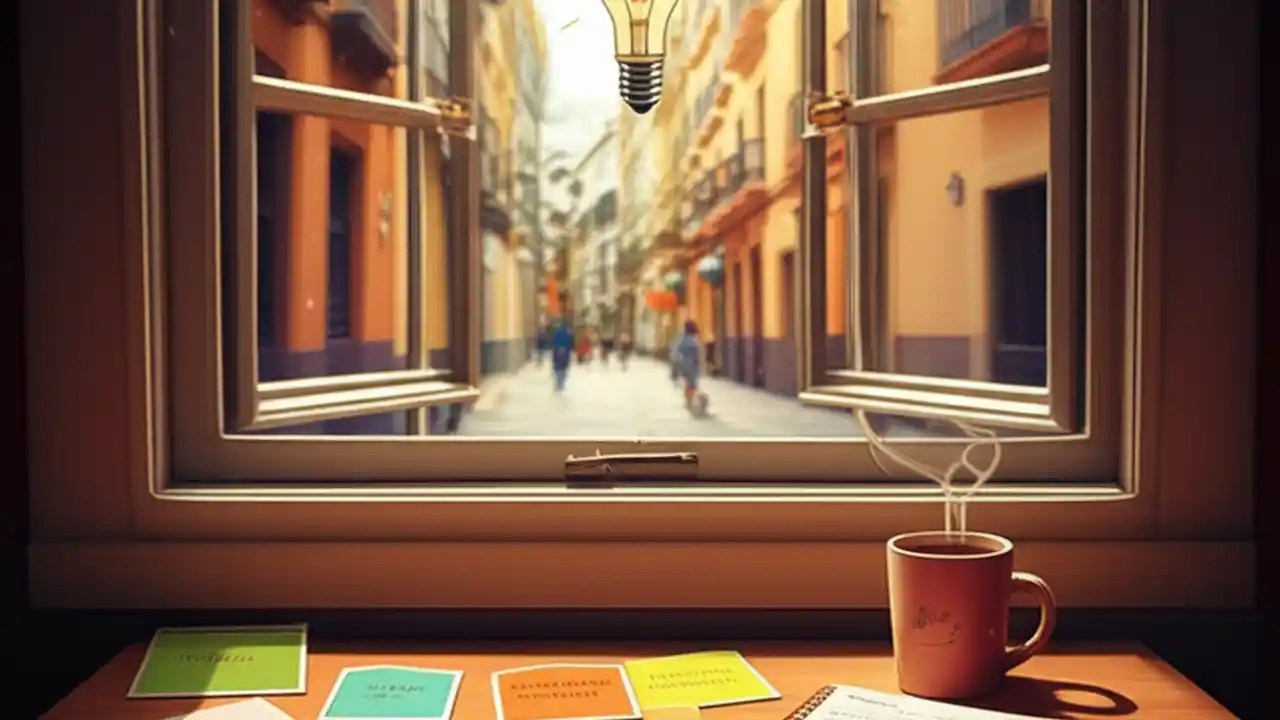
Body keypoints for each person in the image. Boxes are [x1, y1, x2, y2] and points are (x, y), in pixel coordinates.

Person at [672, 320, 708, 415]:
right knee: (692, 385)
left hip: (683, 365)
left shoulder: (682, 338)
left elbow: (676, 352)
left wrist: (676, 366)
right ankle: (689, 402)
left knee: (689, 384)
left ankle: (688, 402)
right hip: (691, 365)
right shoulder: (693, 339)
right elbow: (697, 355)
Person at [550, 317, 574, 392]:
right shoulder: (568, 333)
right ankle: (561, 383)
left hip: (557, 350)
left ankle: (558, 382)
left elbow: (554, 342)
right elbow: (571, 342)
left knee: (557, 366)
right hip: (565, 350)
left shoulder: (556, 333)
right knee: (564, 366)